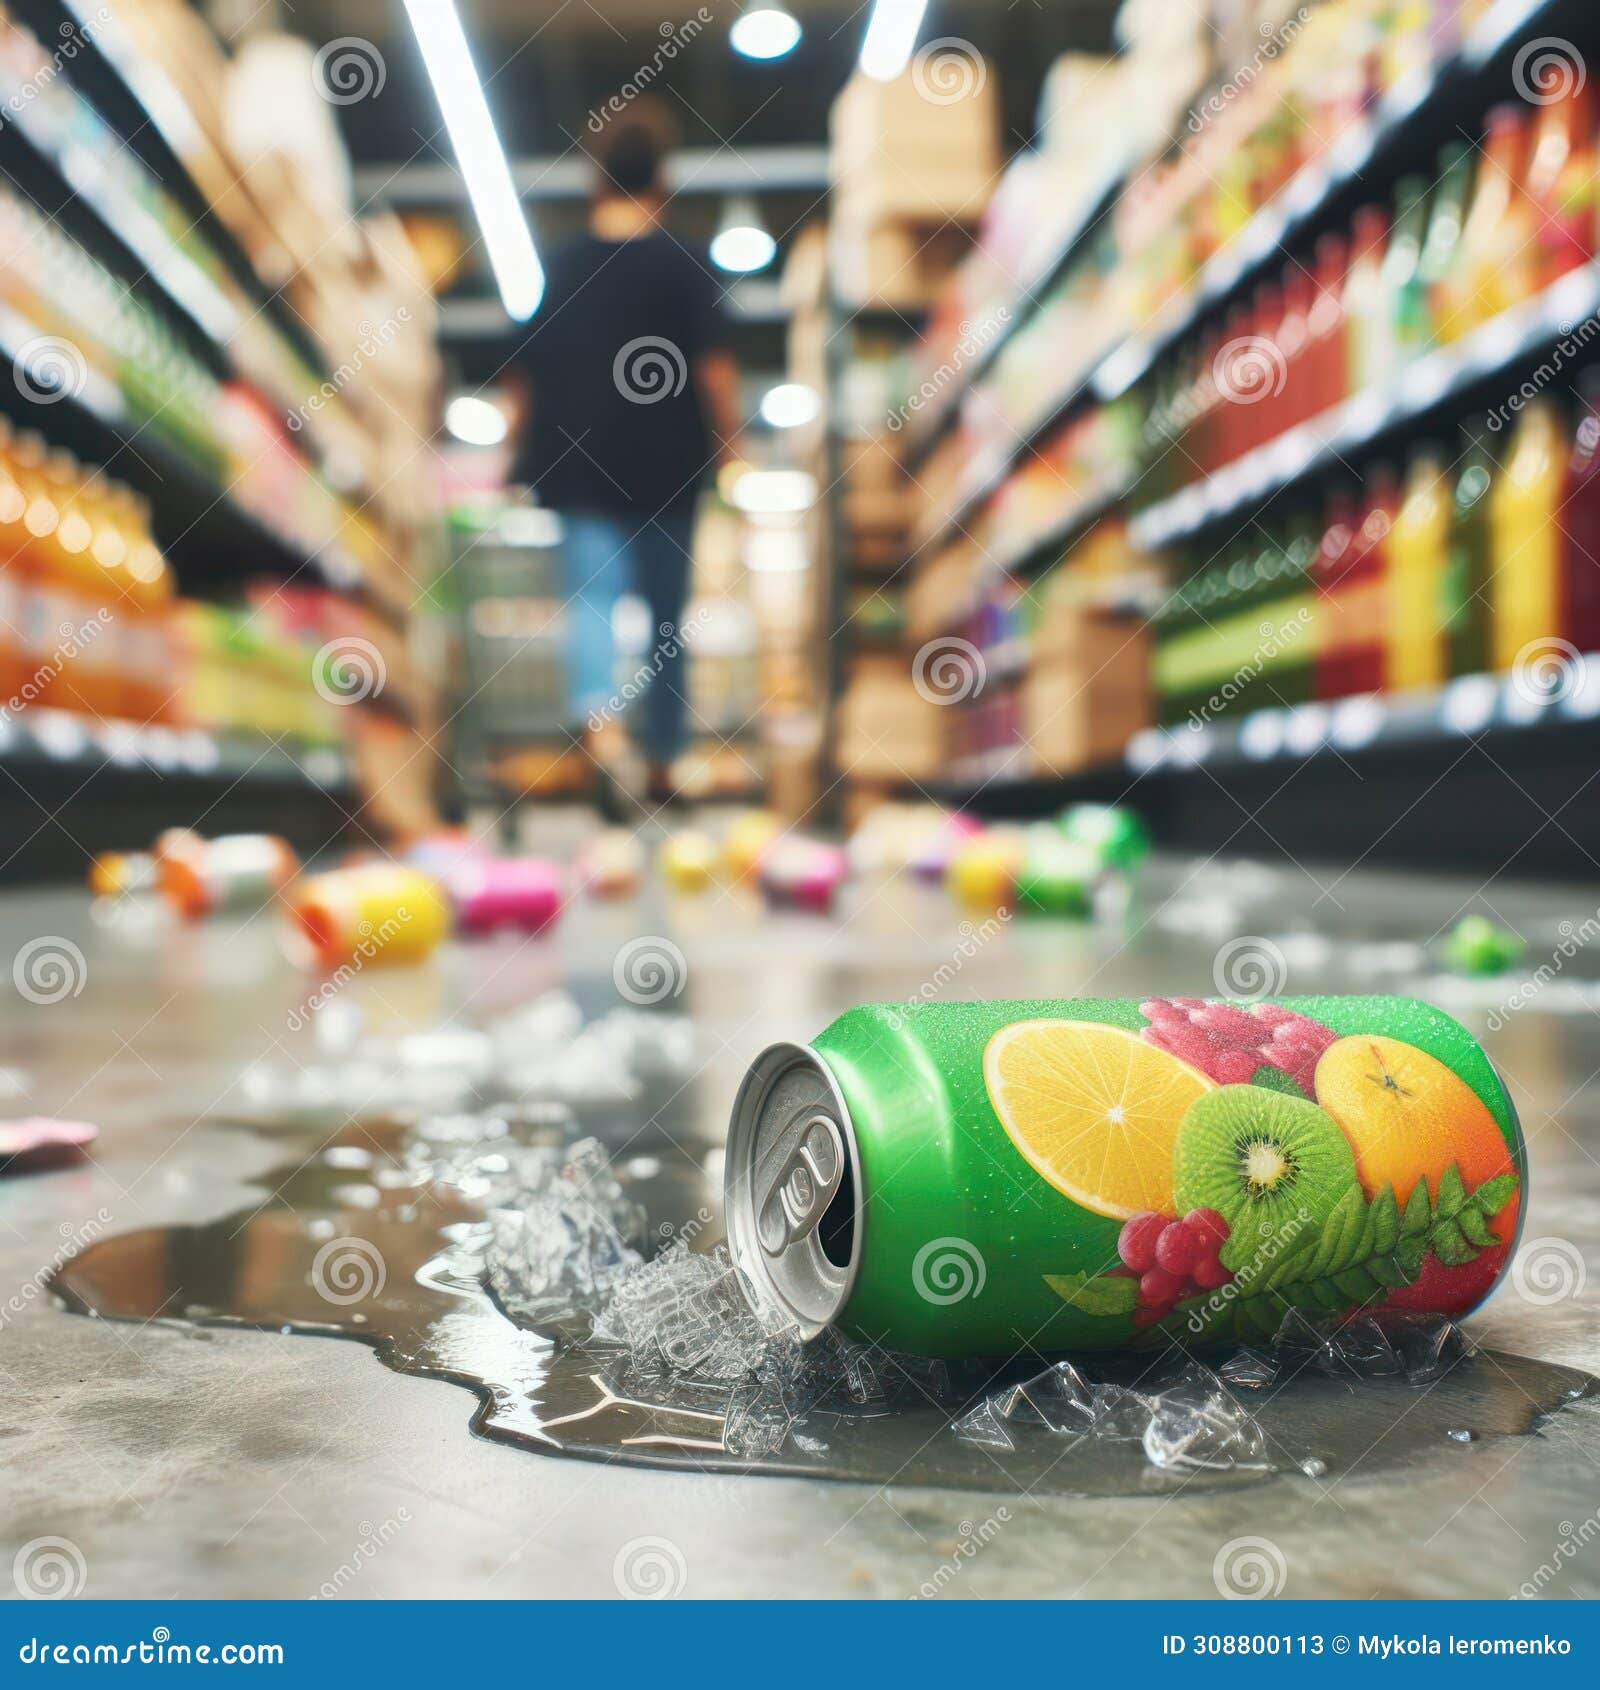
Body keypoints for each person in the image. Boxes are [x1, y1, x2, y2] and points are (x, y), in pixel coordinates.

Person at [505, 112, 742, 811]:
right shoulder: (687, 265)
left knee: (592, 603)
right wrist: (733, 451)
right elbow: (715, 371)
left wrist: (509, 456)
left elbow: (523, 372)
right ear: (662, 180)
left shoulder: (562, 265)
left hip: (580, 466)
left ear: (596, 179)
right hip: (671, 464)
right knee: (668, 620)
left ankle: (604, 740)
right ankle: (666, 762)